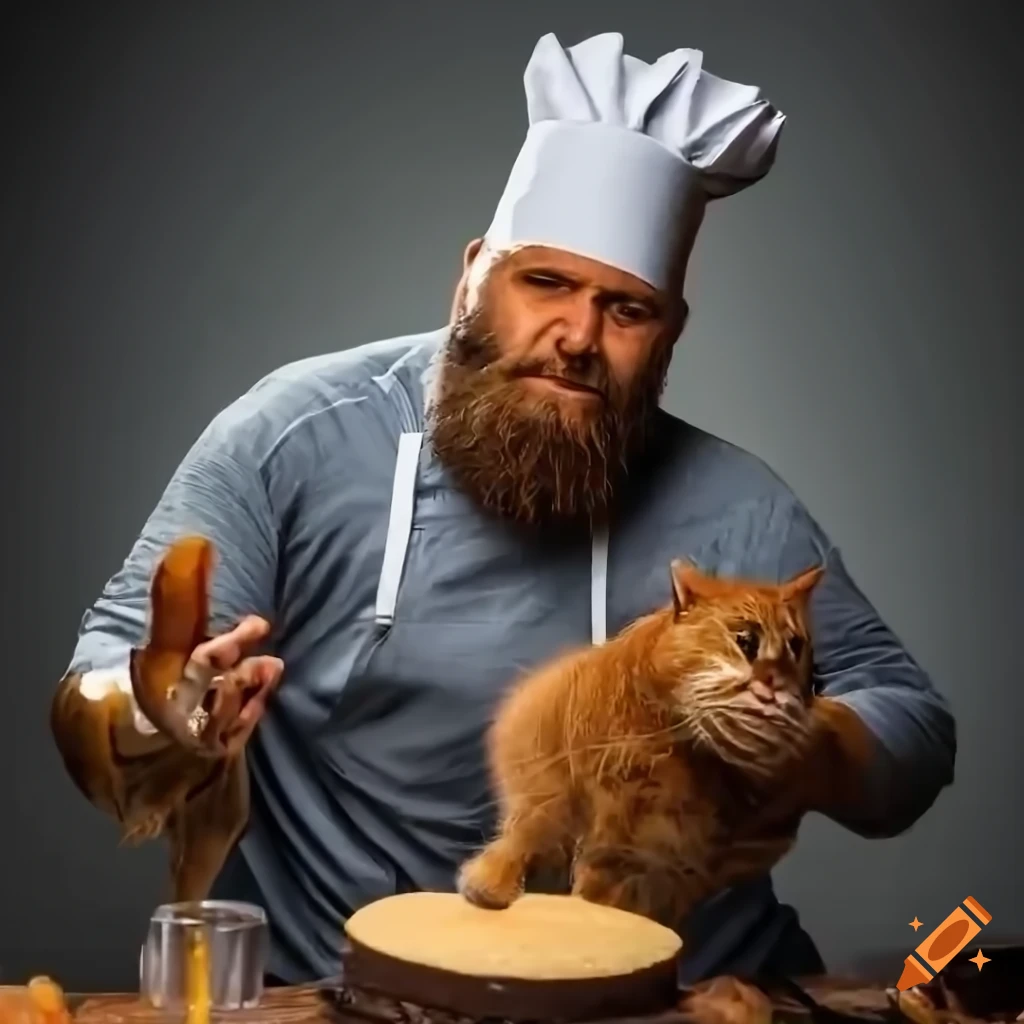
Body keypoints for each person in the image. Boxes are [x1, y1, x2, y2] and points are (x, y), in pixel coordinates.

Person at [51, 32, 955, 985]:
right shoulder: (297, 436)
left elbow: (912, 722)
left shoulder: (735, 506)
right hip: (343, 997)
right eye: (546, 283)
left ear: (670, 335)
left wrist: (806, 752)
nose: (576, 336)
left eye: (628, 309)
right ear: (473, 273)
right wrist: (160, 710)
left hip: (681, 1000)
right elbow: (107, 674)